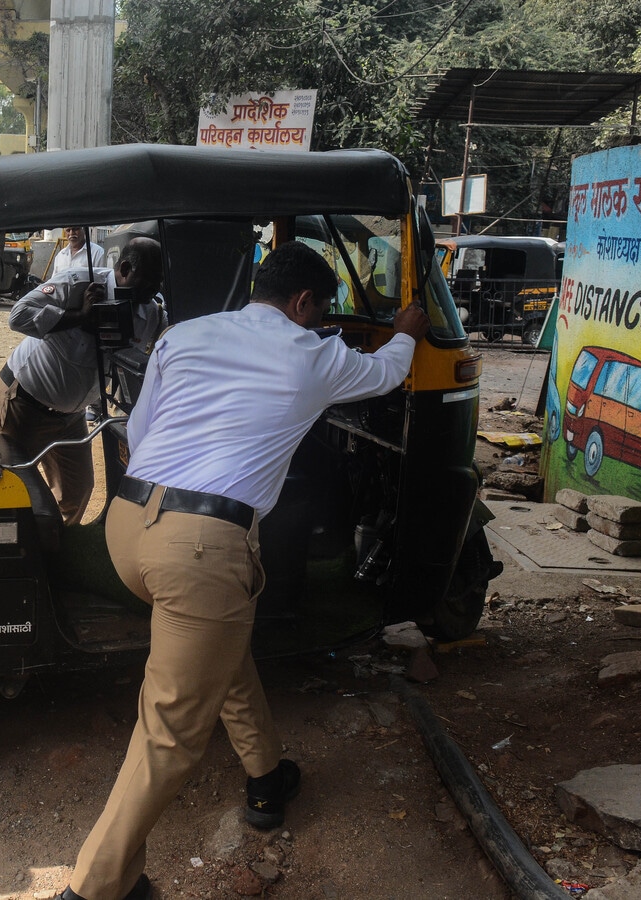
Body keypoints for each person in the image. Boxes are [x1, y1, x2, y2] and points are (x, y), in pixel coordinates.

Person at [53, 241, 430, 900]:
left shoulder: (184, 334)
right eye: (319, 312)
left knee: (218, 650)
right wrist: (404, 332)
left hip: (129, 526)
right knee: (169, 736)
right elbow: (387, 374)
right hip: (199, 549)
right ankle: (95, 889)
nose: (318, 324)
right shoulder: (314, 353)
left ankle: (266, 777)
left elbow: (140, 433)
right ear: (304, 302)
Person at [0, 236, 164, 526]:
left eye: (158, 284)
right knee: (13, 491)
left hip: (71, 417)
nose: (154, 292)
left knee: (77, 490)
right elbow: (17, 317)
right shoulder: (78, 283)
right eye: (149, 283)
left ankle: (57, 547)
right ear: (124, 268)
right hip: (23, 402)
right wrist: (79, 317)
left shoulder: (150, 310)